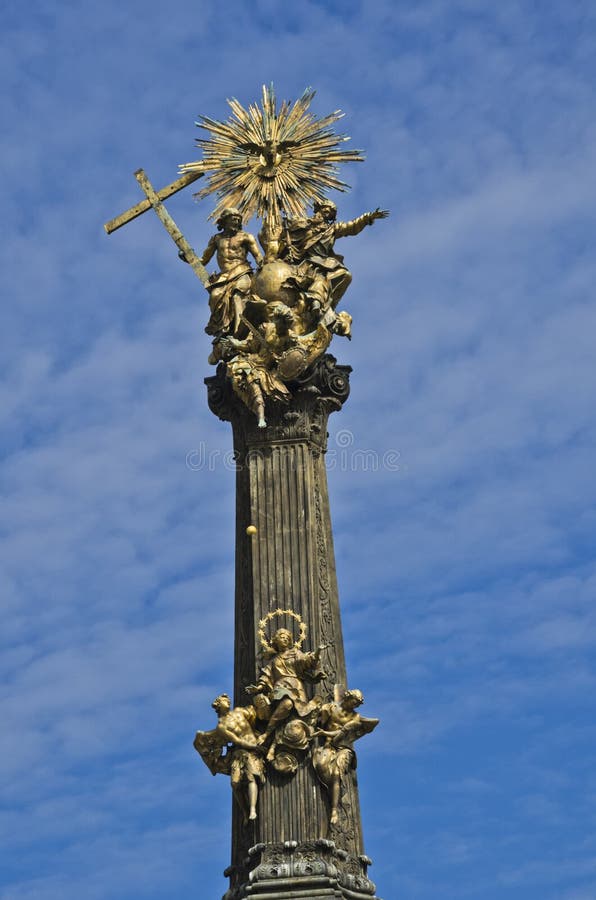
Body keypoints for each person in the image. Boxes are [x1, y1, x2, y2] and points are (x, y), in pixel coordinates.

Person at [282, 200, 389, 313]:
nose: (326, 213)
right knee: (320, 277)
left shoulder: (332, 229)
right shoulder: (304, 223)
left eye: (329, 213)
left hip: (321, 262)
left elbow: (351, 227)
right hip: (302, 260)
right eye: (324, 210)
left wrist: (368, 217)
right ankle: (316, 301)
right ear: (319, 210)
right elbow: (288, 231)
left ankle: (326, 304)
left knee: (345, 275)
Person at [246, 627, 327, 760]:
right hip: (280, 689)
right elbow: (266, 677)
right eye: (281, 637)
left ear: (290, 641)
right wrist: (258, 688)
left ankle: (274, 743)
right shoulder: (273, 661)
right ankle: (267, 734)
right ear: (276, 640)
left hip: (296, 688)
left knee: (290, 717)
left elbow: (308, 661)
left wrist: (317, 651)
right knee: (287, 704)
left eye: (286, 637)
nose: (284, 639)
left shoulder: (295, 653)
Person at [193, 693, 265, 823]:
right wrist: (254, 746)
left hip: (253, 747)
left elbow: (256, 715)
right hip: (243, 750)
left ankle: (253, 809)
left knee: (250, 777)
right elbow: (237, 740)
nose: (228, 702)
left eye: (228, 700)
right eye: (225, 701)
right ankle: (244, 811)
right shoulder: (221, 727)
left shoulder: (239, 712)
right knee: (235, 784)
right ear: (219, 705)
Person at [312, 689, 379, 825]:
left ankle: (334, 810)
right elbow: (317, 721)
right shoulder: (330, 708)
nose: (355, 706)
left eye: (357, 705)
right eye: (354, 703)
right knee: (320, 765)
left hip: (343, 748)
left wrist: (324, 733)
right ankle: (331, 792)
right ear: (348, 698)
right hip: (328, 746)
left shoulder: (355, 717)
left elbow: (341, 732)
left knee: (336, 773)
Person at [196, 208, 263, 337]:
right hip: (224, 276)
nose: (236, 222)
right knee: (215, 296)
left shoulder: (246, 237)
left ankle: (240, 331)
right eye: (233, 219)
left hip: (242, 271)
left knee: (238, 295)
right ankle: (225, 329)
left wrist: (264, 265)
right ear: (225, 221)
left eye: (238, 220)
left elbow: (258, 256)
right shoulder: (216, 239)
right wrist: (188, 257)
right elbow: (203, 260)